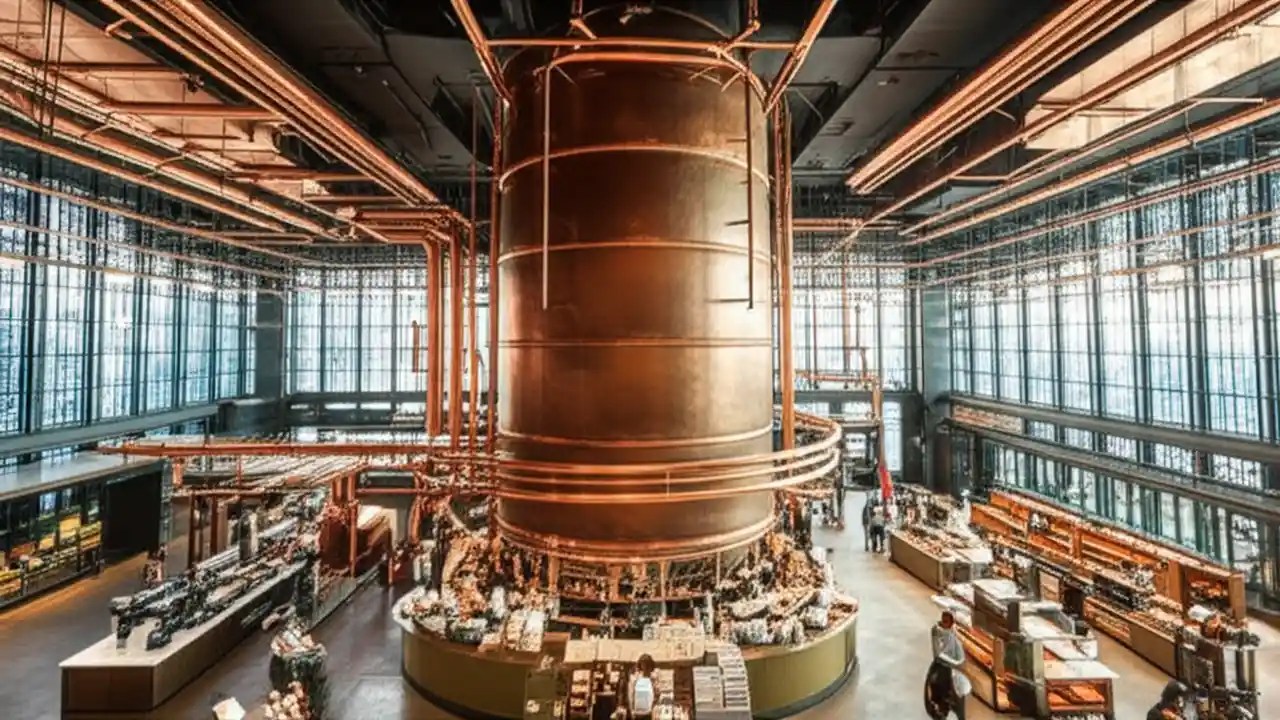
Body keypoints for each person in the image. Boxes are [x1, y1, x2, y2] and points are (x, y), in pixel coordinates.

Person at [929, 610, 971, 720]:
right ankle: (940, 705)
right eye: (943, 621)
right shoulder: (936, 631)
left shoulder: (954, 633)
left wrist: (961, 660)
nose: (944, 623)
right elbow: (938, 653)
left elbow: (958, 648)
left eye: (947, 621)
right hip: (942, 664)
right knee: (939, 682)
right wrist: (954, 663)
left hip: (955, 666)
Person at [629, 653, 656, 719]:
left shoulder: (653, 679)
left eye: (648, 664)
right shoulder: (635, 678)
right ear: (640, 665)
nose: (646, 667)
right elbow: (631, 694)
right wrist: (632, 710)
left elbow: (656, 695)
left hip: (648, 712)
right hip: (637, 712)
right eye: (644, 664)